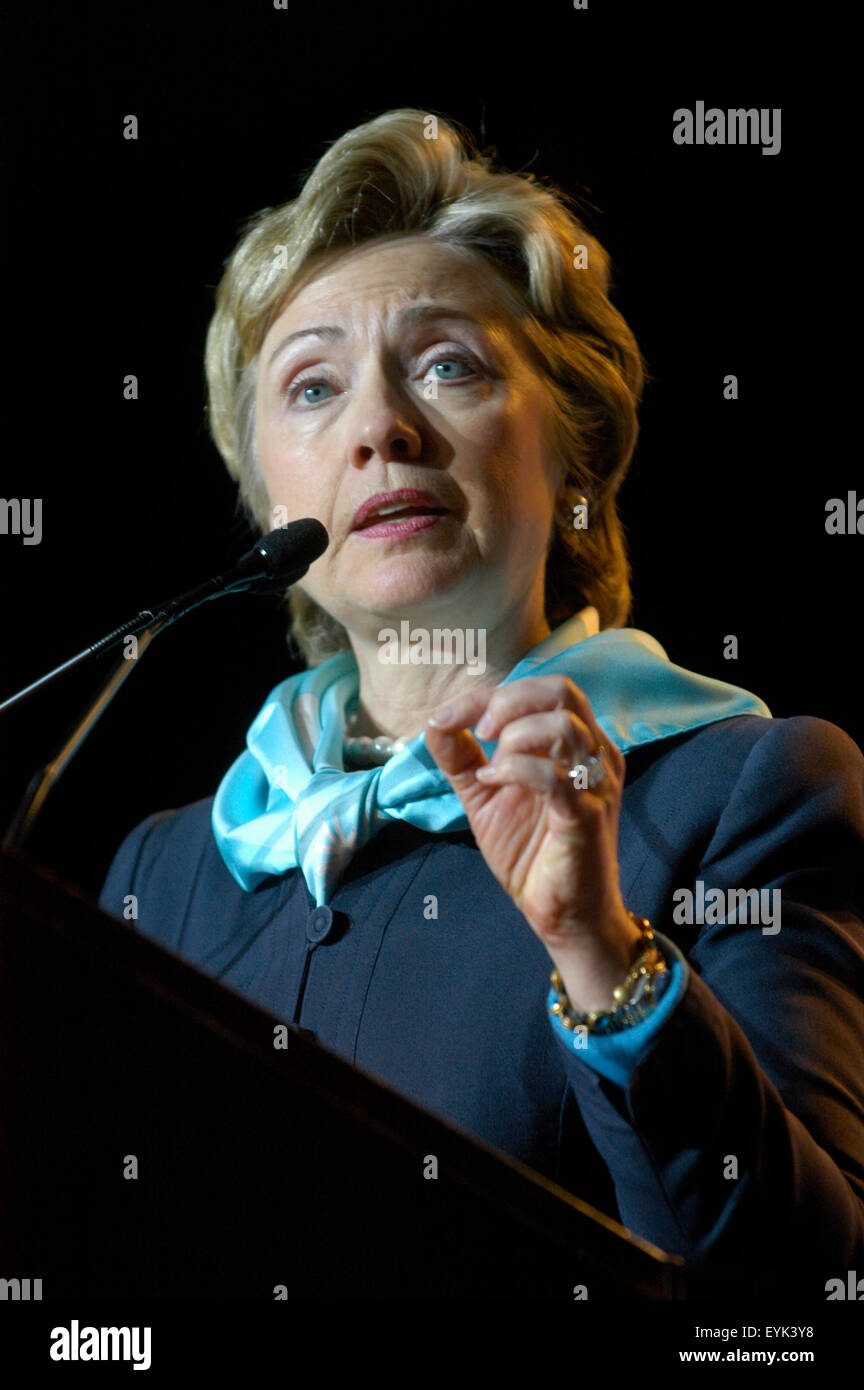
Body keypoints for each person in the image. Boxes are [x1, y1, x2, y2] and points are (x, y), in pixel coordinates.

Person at [99, 108, 864, 1297]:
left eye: (448, 364)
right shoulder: (168, 874)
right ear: (264, 496)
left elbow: (793, 1289)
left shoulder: (747, 789)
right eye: (312, 388)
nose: (380, 430)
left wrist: (596, 949)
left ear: (576, 447)